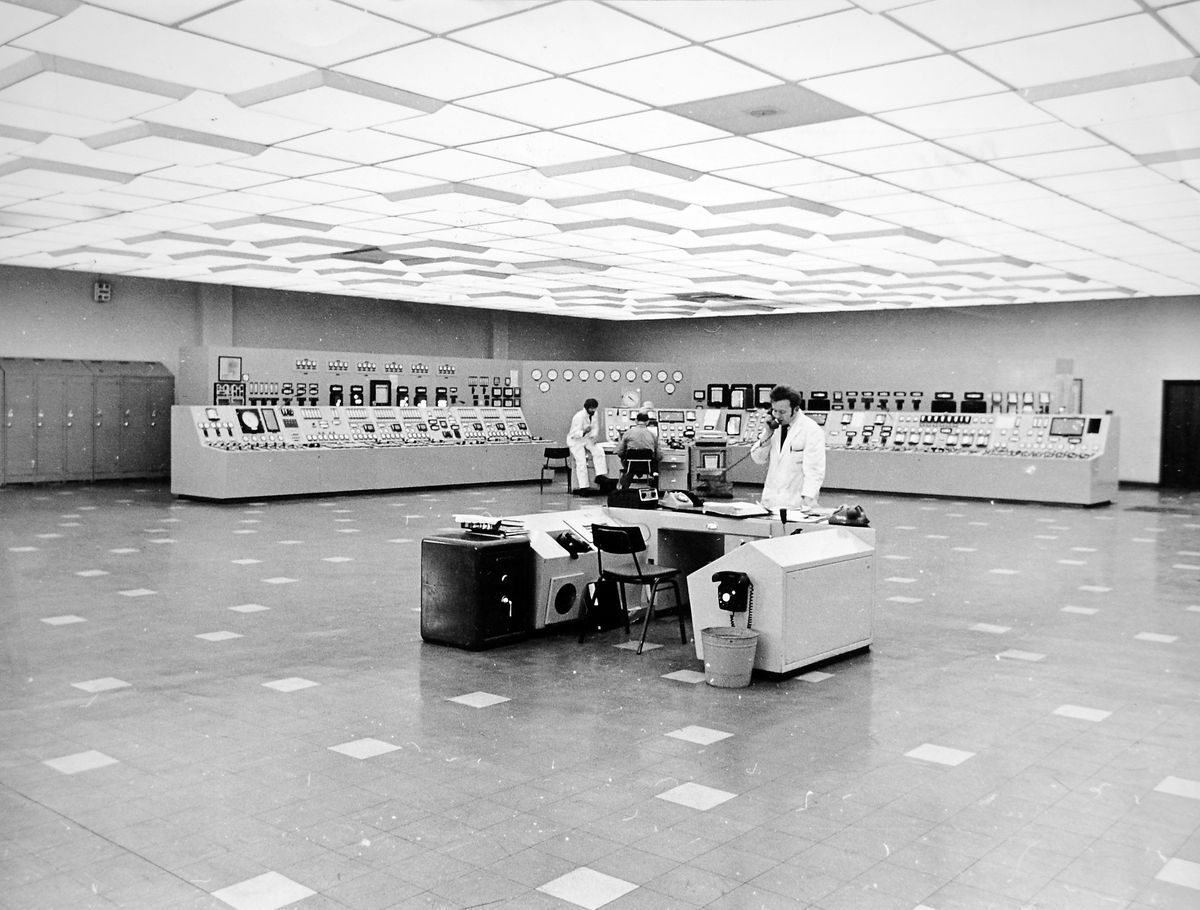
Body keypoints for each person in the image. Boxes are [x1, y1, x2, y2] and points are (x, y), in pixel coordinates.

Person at [750, 385, 826, 513]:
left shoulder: (811, 430)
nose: (777, 416)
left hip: (796, 505)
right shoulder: (773, 428)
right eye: (774, 410)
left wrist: (809, 500)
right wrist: (767, 433)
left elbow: (814, 470)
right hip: (770, 503)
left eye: (782, 412)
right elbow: (758, 458)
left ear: (795, 409)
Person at [566, 397, 609, 491]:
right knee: (581, 462)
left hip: (587, 439)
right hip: (576, 441)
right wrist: (584, 432)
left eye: (594, 408)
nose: (593, 410)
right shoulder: (578, 417)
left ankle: (600, 475)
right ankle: (583, 487)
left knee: (599, 451)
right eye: (591, 408)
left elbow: (595, 427)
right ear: (586, 408)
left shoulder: (594, 414)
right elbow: (573, 434)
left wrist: (594, 437)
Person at [614, 411, 660, 488]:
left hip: (631, 466)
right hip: (647, 467)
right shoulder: (653, 435)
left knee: (628, 465)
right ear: (647, 422)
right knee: (656, 462)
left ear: (636, 421)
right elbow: (659, 455)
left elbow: (620, 452)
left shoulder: (628, 433)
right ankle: (655, 488)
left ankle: (624, 489)